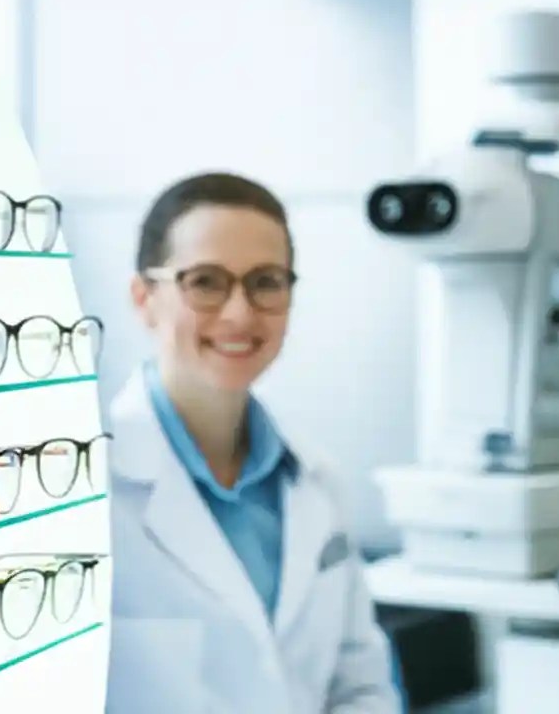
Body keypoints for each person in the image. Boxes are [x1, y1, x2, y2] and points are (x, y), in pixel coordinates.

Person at [104, 171, 401, 713]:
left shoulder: (317, 482)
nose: (239, 312)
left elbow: (361, 685)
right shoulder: (87, 491)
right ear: (144, 299)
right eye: (205, 281)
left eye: (266, 281)